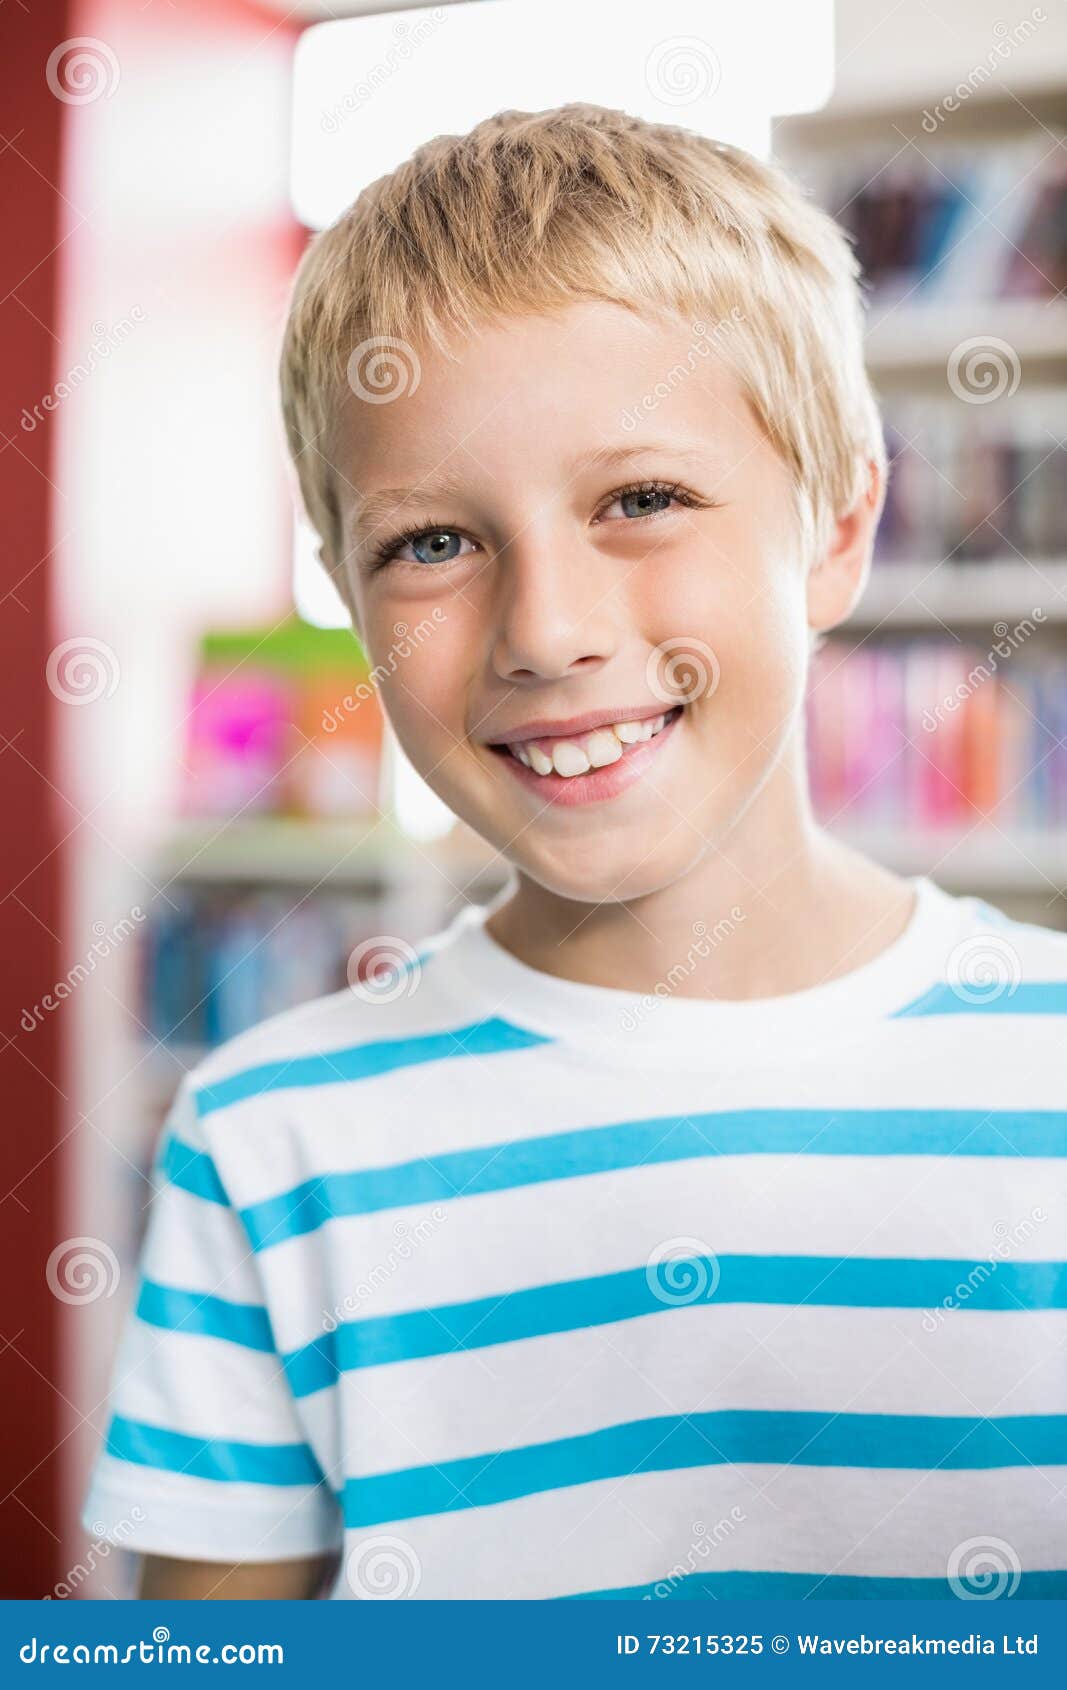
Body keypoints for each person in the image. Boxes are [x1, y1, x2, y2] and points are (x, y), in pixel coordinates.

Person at [83, 105, 1067, 1600]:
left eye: (641, 501)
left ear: (837, 528)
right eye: (431, 543)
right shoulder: (265, 1143)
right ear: (345, 591)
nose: (546, 632)